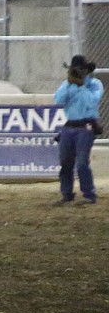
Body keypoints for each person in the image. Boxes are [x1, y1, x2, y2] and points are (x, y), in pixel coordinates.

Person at [54, 55, 103, 205]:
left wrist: (81, 86)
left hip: (86, 126)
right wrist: (70, 84)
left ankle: (89, 194)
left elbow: (92, 101)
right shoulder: (67, 84)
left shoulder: (95, 84)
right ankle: (67, 193)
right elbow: (59, 100)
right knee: (65, 162)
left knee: (82, 163)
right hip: (69, 126)